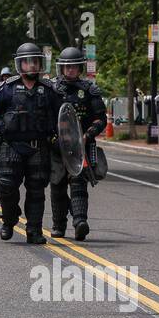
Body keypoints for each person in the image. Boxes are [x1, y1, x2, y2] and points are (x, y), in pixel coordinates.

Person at [0, 42, 60, 243]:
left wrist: (65, 144)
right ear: (19, 64)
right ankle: (9, 220)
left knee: (36, 190)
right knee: (6, 186)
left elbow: (64, 120)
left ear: (40, 64)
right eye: (27, 62)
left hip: (38, 147)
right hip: (10, 146)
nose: (31, 66)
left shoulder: (50, 91)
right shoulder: (6, 89)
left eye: (34, 62)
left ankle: (34, 230)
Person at [49, 47, 106, 240]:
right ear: (61, 68)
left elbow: (100, 119)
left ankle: (80, 222)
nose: (70, 70)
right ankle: (58, 225)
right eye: (67, 66)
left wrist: (87, 135)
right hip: (57, 145)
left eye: (73, 66)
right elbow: (44, 117)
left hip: (81, 146)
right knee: (56, 184)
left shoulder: (90, 90)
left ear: (79, 68)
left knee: (78, 182)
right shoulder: (52, 89)